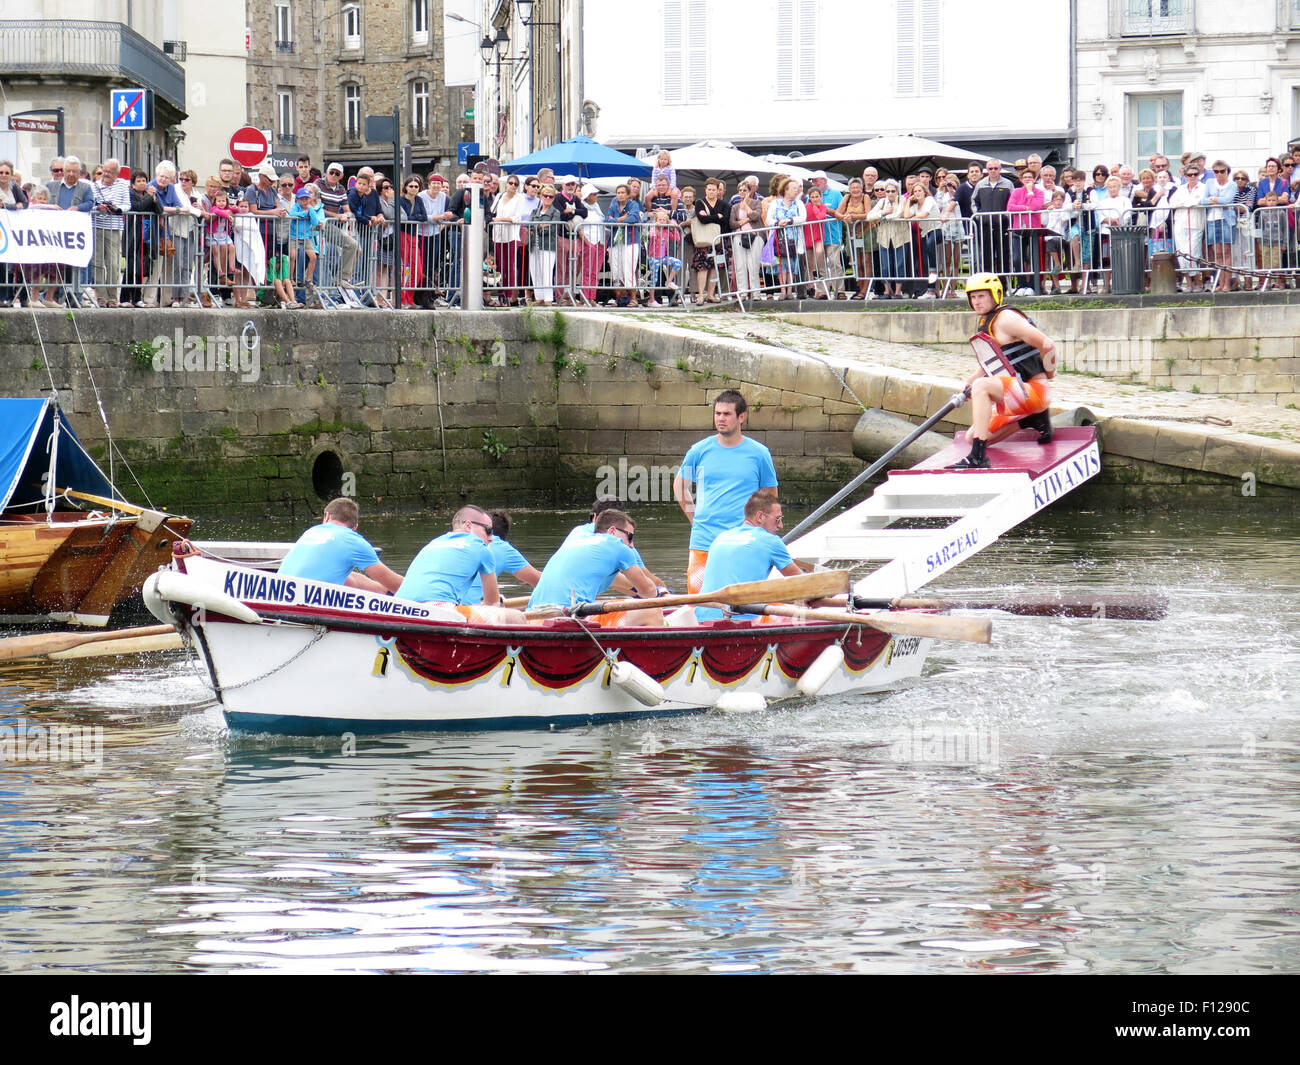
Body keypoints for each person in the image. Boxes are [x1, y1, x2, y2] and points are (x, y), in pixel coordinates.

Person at [674, 389, 779, 594]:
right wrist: (694, 519)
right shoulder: (699, 450)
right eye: (717, 413)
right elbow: (680, 486)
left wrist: (763, 530)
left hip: (743, 539)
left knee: (742, 599)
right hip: (704, 539)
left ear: (741, 417)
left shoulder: (759, 454)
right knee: (700, 598)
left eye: (727, 414)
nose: (721, 418)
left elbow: (770, 496)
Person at [949, 273, 1056, 470]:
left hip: (1035, 390)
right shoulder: (988, 321)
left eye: (981, 296)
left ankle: (978, 458)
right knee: (972, 437)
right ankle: (1032, 420)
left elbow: (1047, 344)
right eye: (972, 297)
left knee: (982, 387)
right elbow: (993, 360)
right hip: (1021, 393)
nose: (976, 302)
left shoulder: (1006, 318)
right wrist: (971, 379)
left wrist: (1050, 373)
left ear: (995, 294)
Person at [527, 509, 664, 627]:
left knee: (597, 603)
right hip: (564, 620)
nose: (631, 545)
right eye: (630, 536)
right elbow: (648, 592)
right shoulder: (618, 547)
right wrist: (661, 593)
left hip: (531, 617)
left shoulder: (577, 533)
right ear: (612, 531)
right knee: (652, 611)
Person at [395, 506, 526, 623]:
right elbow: (492, 605)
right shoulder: (482, 548)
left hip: (398, 608)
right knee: (516, 617)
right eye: (488, 530)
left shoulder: (433, 543)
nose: (491, 537)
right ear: (468, 525)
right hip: (436, 610)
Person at [693, 491, 803, 623]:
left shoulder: (722, 537)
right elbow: (801, 583)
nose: (781, 525)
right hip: (740, 620)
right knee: (794, 614)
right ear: (760, 517)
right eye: (778, 519)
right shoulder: (771, 541)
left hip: (703, 617)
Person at [278, 497, 403, 594]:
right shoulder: (352, 540)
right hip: (307, 604)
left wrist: (383, 590)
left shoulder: (311, 531)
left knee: (348, 577)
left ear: (326, 516)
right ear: (355, 528)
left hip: (278, 593)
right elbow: (396, 585)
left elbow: (348, 580)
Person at [465, 511, 542, 605]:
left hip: (447, 607)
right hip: (474, 610)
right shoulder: (502, 547)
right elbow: (541, 581)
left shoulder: (457, 541)